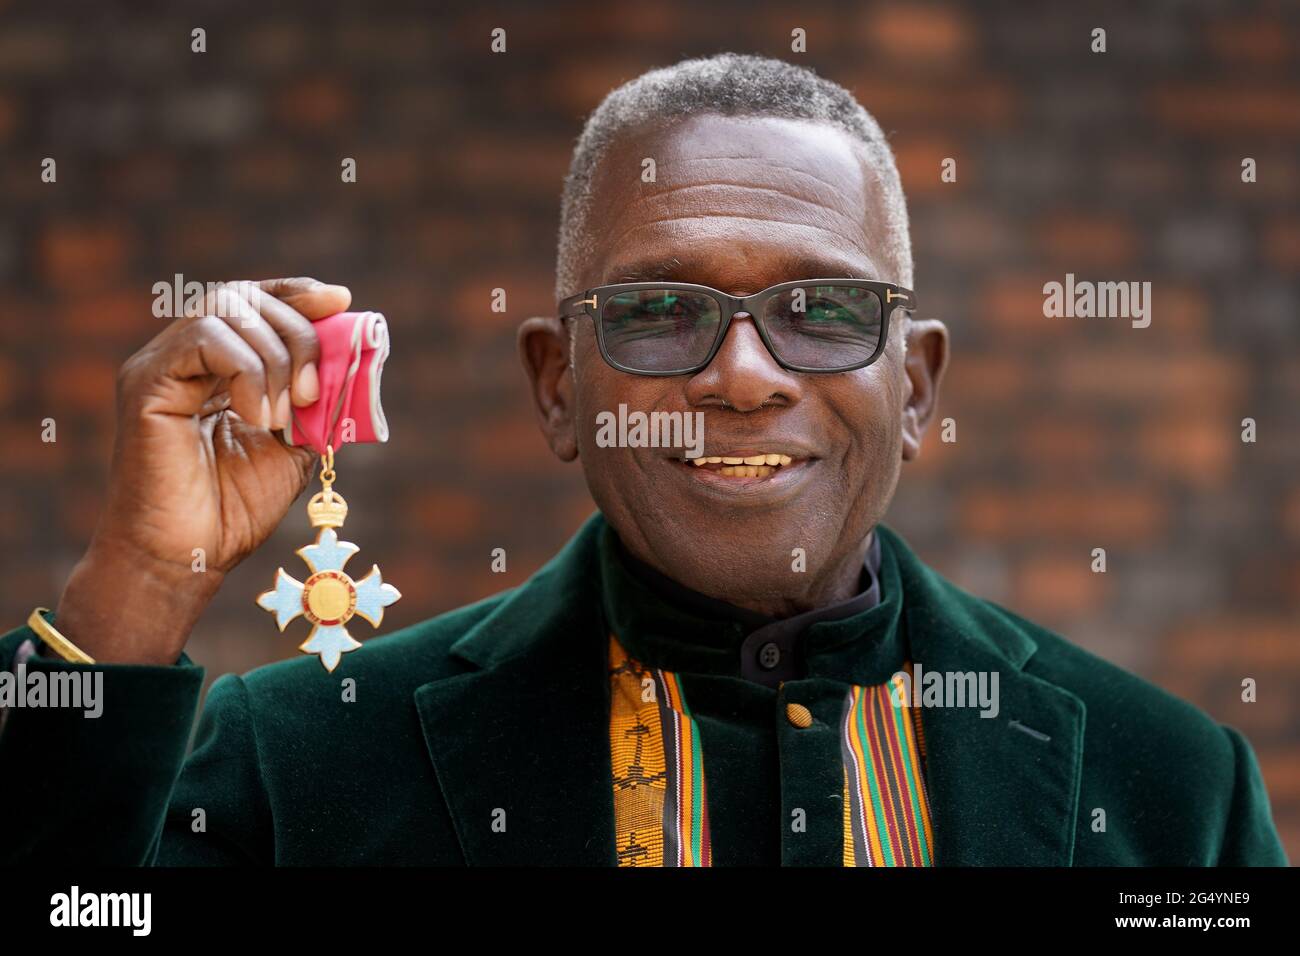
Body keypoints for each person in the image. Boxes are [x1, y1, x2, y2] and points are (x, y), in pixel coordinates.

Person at [0, 53, 1285, 866]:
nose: (740, 375)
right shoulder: (306, 763)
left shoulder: (1169, 790)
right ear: (559, 389)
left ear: (917, 384)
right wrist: (139, 577)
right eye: (660, 312)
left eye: (823, 311)